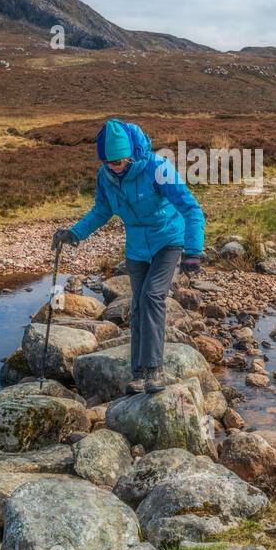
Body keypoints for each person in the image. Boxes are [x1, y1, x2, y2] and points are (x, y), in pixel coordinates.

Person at [53, 119, 205, 393]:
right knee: (137, 307)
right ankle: (138, 374)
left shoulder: (157, 167)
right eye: (109, 162)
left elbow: (191, 208)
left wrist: (193, 252)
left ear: (132, 154)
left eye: (120, 162)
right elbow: (101, 211)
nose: (115, 167)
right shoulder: (106, 176)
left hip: (168, 240)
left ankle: (155, 370)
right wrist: (73, 234)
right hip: (137, 247)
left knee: (152, 297)